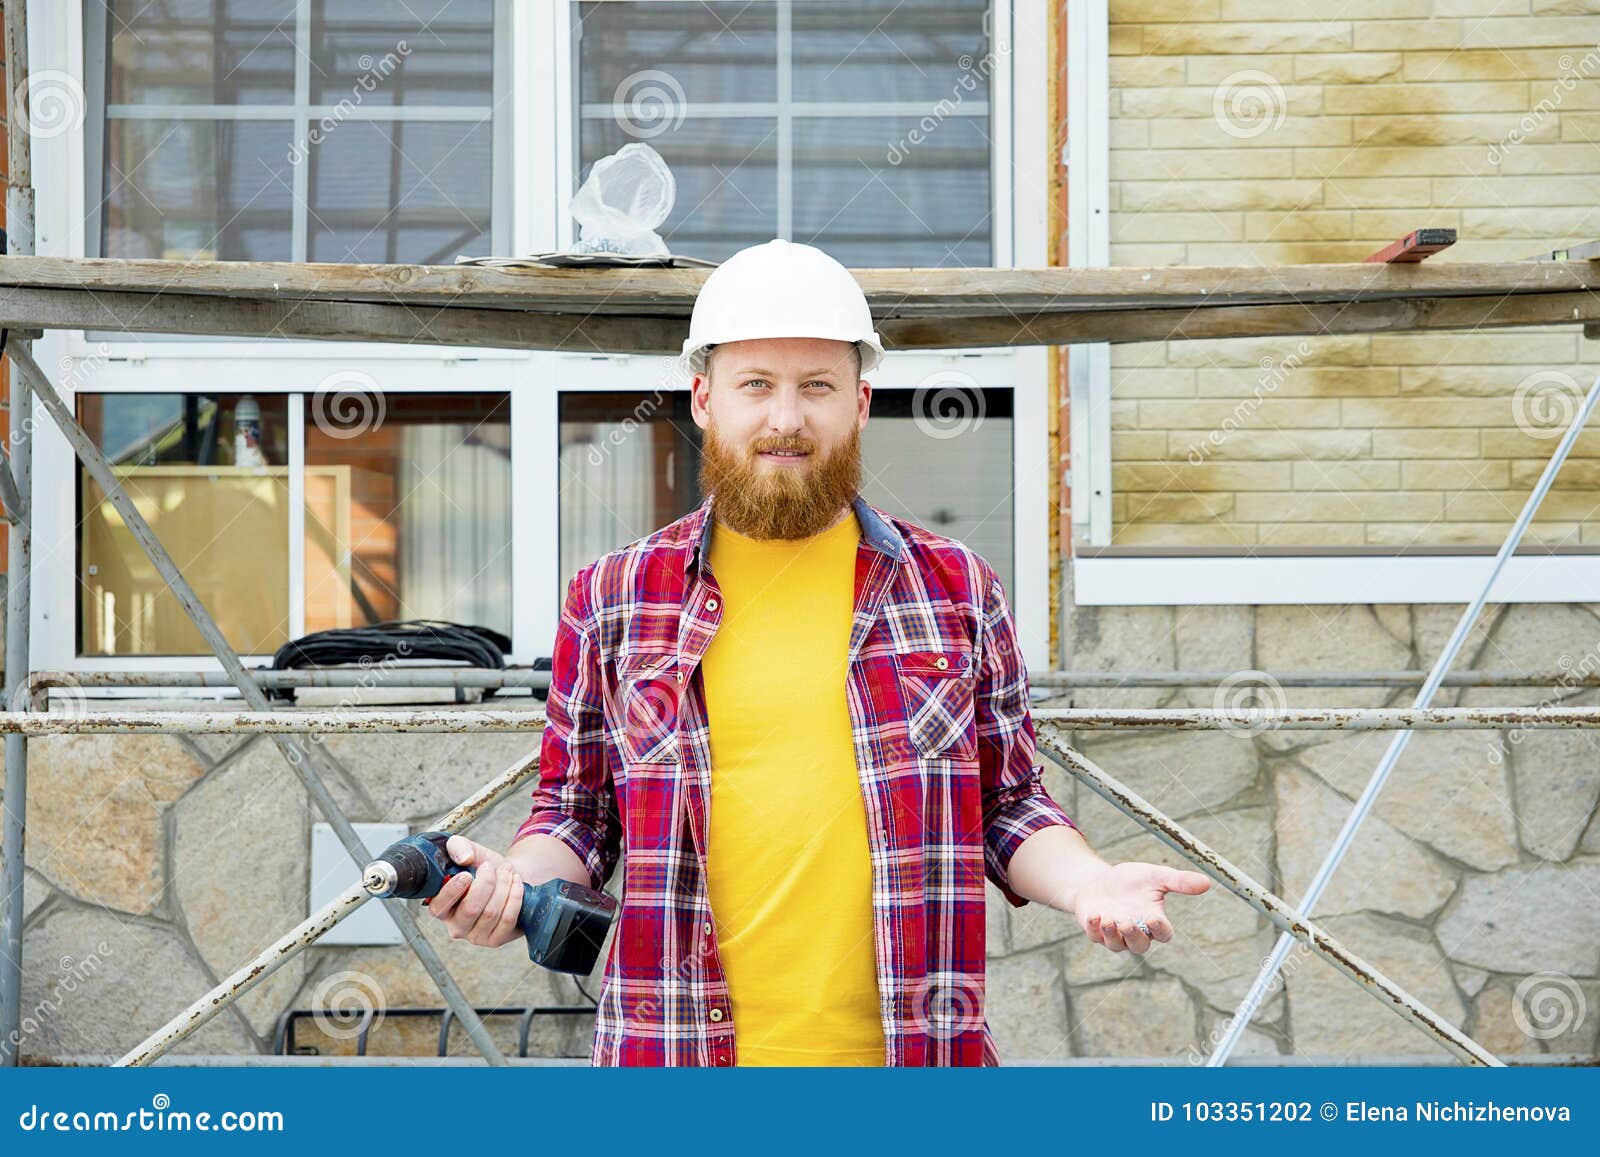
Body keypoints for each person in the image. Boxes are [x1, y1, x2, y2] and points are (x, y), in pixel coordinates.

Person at [425, 239, 1211, 1066]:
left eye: (818, 387)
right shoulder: (615, 597)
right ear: (703, 398)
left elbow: (1008, 802)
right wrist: (512, 879)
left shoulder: (955, 589)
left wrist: (1090, 882)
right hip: (674, 1064)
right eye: (756, 385)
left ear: (862, 402)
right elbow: (578, 815)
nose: (786, 419)